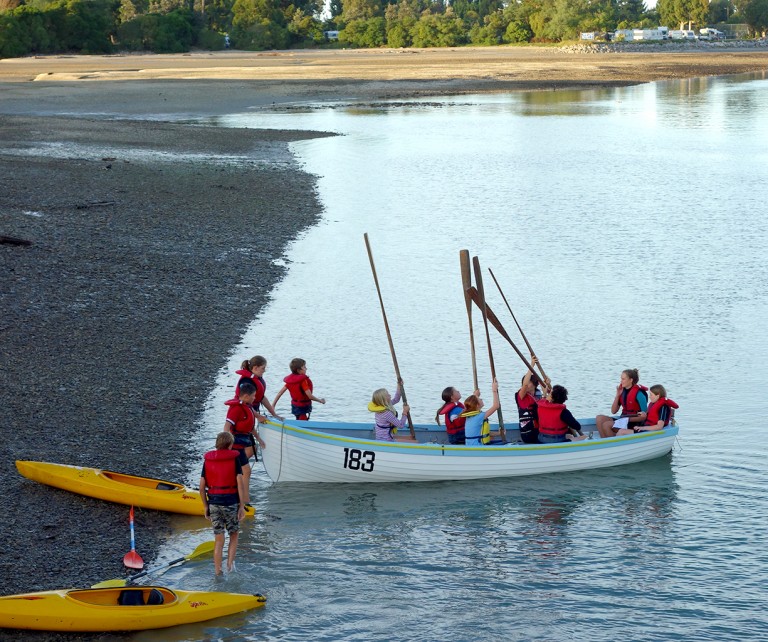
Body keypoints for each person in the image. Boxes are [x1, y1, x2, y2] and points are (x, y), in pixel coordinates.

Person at [199, 432, 246, 575]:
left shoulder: (208, 460)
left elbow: (201, 486)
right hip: (230, 502)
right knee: (234, 534)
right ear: (230, 444)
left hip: (214, 503)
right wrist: (242, 506)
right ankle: (230, 566)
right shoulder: (234, 459)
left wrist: (205, 506)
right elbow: (240, 483)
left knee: (219, 539)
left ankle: (217, 572)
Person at [224, 381, 265, 506]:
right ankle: (245, 501)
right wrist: (227, 446)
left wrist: (259, 439)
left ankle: (241, 496)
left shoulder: (247, 407)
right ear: (246, 396)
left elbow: (250, 426)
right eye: (253, 396)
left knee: (244, 469)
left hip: (242, 444)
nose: (254, 398)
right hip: (235, 445)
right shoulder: (236, 409)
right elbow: (227, 427)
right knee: (246, 470)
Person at [596, 368, 648, 438]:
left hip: (634, 424)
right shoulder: (622, 391)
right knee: (599, 418)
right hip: (623, 420)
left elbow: (644, 416)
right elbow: (613, 411)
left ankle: (614, 443)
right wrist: (617, 395)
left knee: (606, 425)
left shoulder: (639, 394)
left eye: (623, 379)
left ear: (631, 380)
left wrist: (628, 419)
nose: (621, 381)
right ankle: (604, 441)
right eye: (621, 379)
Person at [233, 355, 282, 419]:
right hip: (242, 413)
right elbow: (244, 402)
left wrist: (274, 415)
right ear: (255, 368)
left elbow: (261, 397)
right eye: (263, 368)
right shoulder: (247, 382)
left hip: (252, 411)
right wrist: (258, 416)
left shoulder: (257, 378)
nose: (264, 371)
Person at [460, 379, 500, 446]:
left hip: (471, 445)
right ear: (477, 405)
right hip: (477, 446)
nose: (481, 399)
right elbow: (496, 406)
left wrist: (498, 433)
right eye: (479, 399)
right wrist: (494, 390)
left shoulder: (470, 416)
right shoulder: (479, 416)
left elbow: (482, 432)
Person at [515, 361, 546, 444]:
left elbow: (547, 399)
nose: (525, 385)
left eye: (529, 382)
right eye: (524, 383)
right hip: (528, 434)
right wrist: (531, 365)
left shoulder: (538, 397)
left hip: (538, 431)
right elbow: (525, 385)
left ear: (534, 384)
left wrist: (545, 384)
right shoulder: (521, 396)